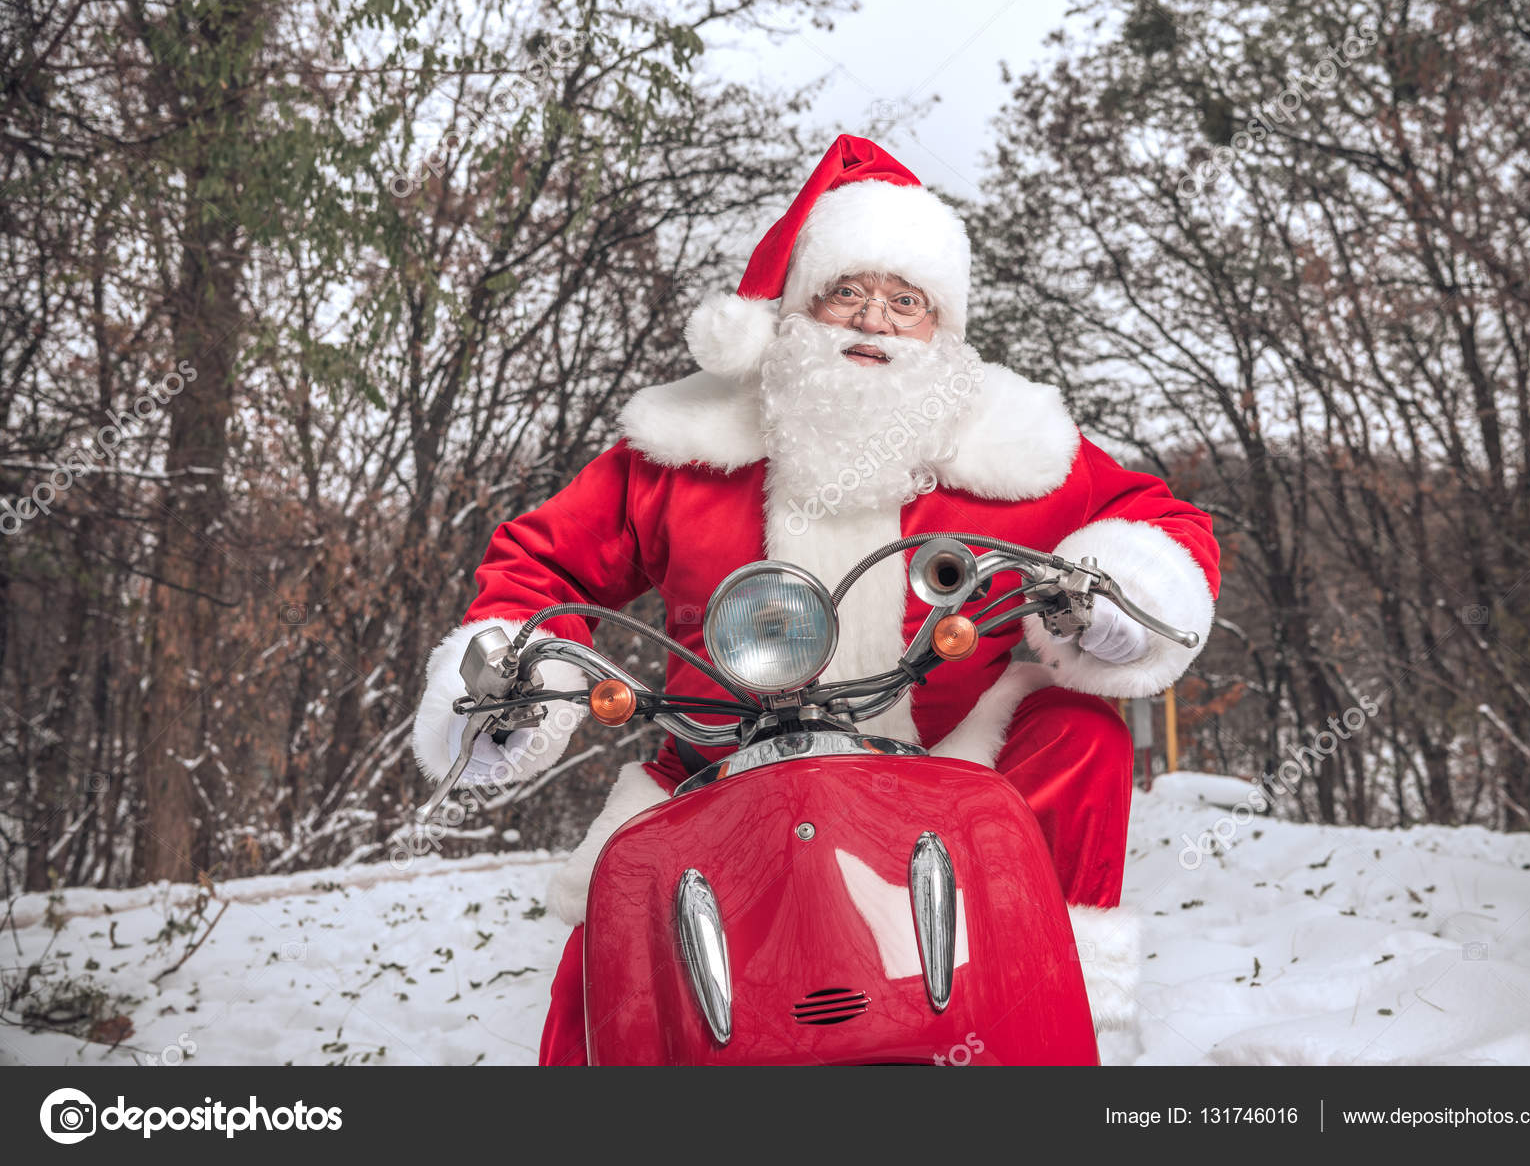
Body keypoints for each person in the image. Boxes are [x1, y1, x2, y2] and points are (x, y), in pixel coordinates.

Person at [410, 135, 1221, 1064]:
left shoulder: (1011, 439)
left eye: (905, 300)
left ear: (941, 324)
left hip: (949, 756)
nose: (872, 320)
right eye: (847, 292)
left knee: (1079, 737)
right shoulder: (689, 442)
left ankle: (1062, 1021)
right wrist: (514, 662)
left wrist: (1114, 590)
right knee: (603, 949)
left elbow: (1148, 515)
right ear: (798, 307)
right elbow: (547, 558)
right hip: (719, 758)